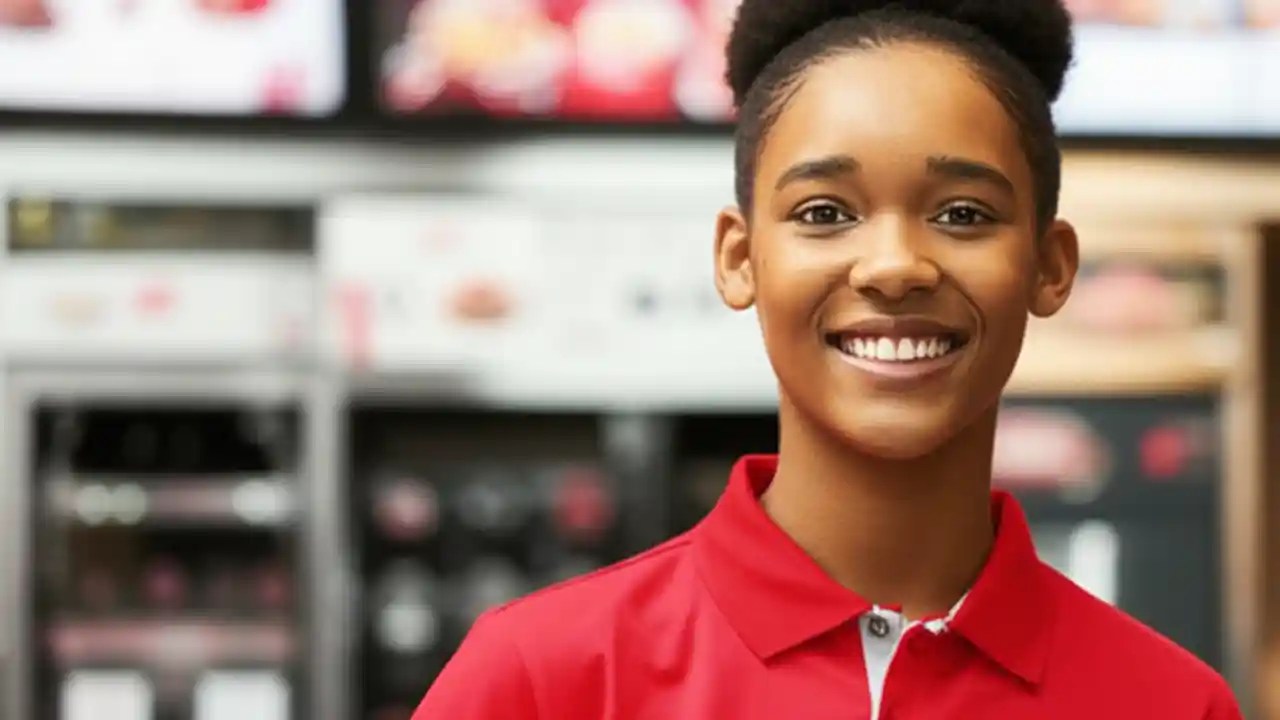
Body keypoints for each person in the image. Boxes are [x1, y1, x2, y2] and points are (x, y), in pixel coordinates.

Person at [413, 1, 1245, 717]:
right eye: (823, 211)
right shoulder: (541, 681)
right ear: (740, 259)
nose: (894, 266)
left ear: (1049, 266)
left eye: (961, 213)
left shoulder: (1173, 705)